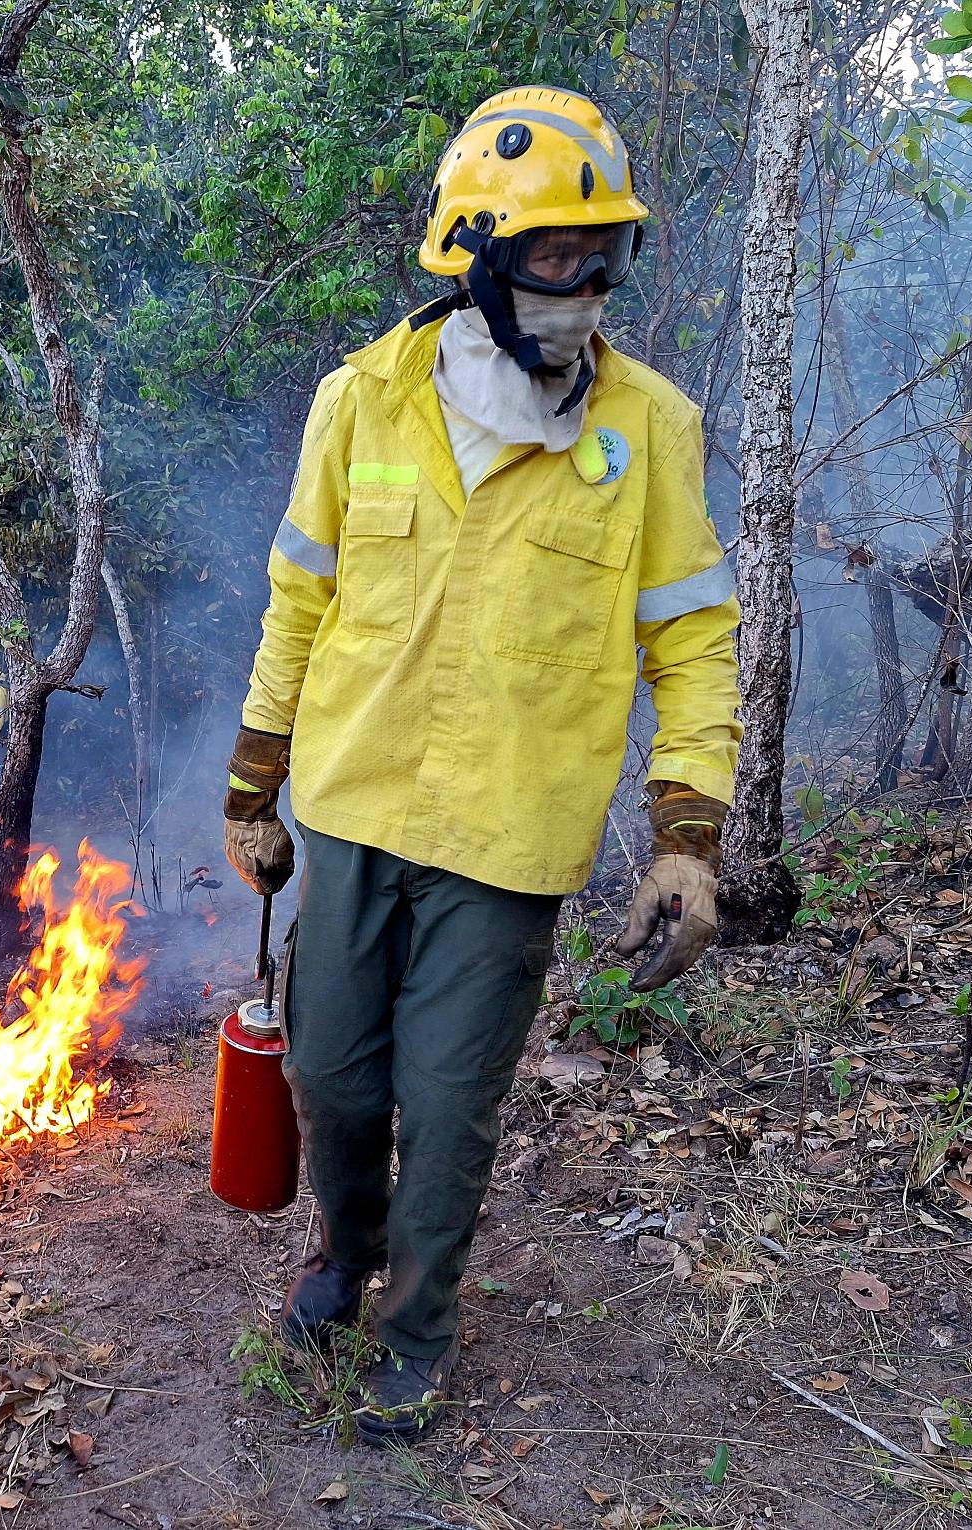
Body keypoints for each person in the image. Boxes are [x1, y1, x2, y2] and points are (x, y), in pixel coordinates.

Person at [222, 86, 742, 1442]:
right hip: (356, 803)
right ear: (485, 254)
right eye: (564, 256)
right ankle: (345, 1250)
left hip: (511, 837)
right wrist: (251, 779)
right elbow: (299, 598)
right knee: (333, 1074)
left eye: (603, 254)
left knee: (448, 1103)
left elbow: (690, 644)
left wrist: (687, 833)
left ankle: (419, 1327)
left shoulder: (650, 435)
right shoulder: (362, 402)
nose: (591, 285)